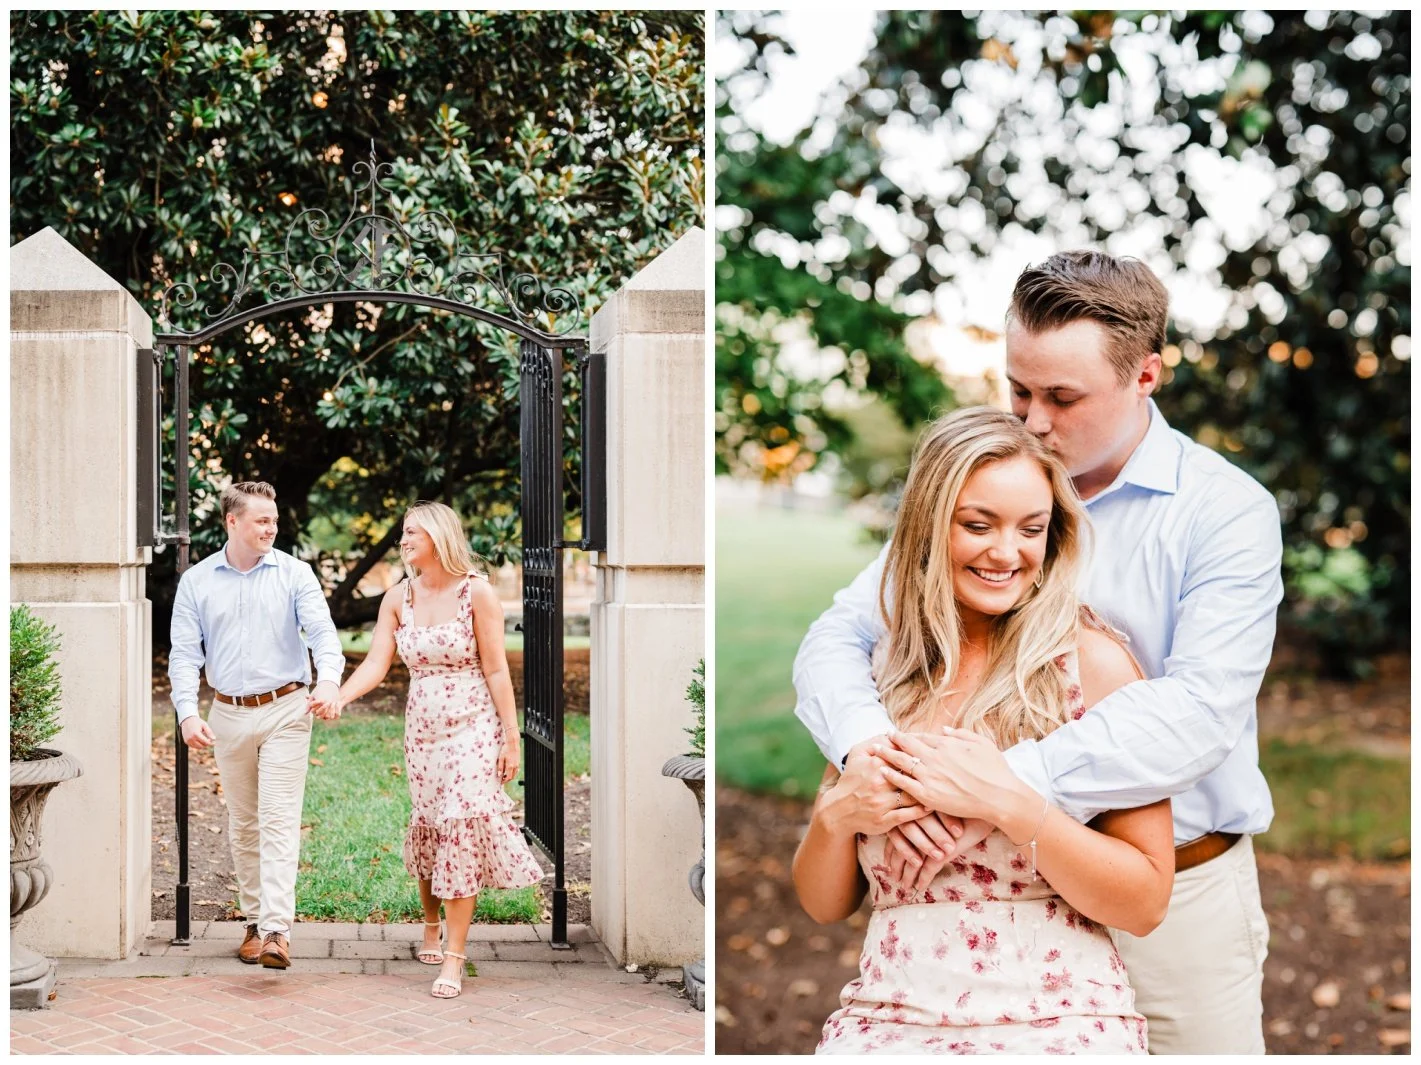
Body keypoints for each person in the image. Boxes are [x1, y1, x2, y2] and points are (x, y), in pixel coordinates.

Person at [794, 251, 1283, 1054]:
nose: (1032, 420)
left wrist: (993, 788)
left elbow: (1198, 712)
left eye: (1061, 397)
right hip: (950, 959)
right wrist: (869, 755)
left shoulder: (1223, 512)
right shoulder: (983, 485)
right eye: (1017, 390)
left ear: (1144, 375)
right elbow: (838, 637)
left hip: (1175, 887)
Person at [796, 407, 1174, 1054]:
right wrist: (836, 818)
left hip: (1059, 1022)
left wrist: (1011, 805)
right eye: (977, 525)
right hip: (888, 1017)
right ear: (926, 525)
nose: (1006, 552)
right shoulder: (881, 678)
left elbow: (1145, 901)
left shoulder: (1092, 667)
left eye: (1031, 528)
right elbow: (824, 903)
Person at [338, 500, 543, 999]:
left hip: (473, 726)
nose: (403, 540)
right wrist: (340, 697)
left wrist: (511, 737)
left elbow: (496, 669)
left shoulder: (477, 593)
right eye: (403, 532)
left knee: (462, 826)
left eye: (412, 532)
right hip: (423, 730)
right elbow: (377, 663)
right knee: (431, 824)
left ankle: (455, 955)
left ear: (438, 536)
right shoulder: (397, 598)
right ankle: (430, 925)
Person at [169, 480, 345, 970]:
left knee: (278, 818)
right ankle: (252, 921)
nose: (271, 528)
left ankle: (275, 931)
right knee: (244, 824)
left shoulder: (294, 574)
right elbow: (184, 654)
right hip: (227, 713)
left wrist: (329, 682)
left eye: (274, 520)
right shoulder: (197, 581)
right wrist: (187, 712)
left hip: (287, 708)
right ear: (233, 521)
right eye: (261, 520)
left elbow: (324, 635)